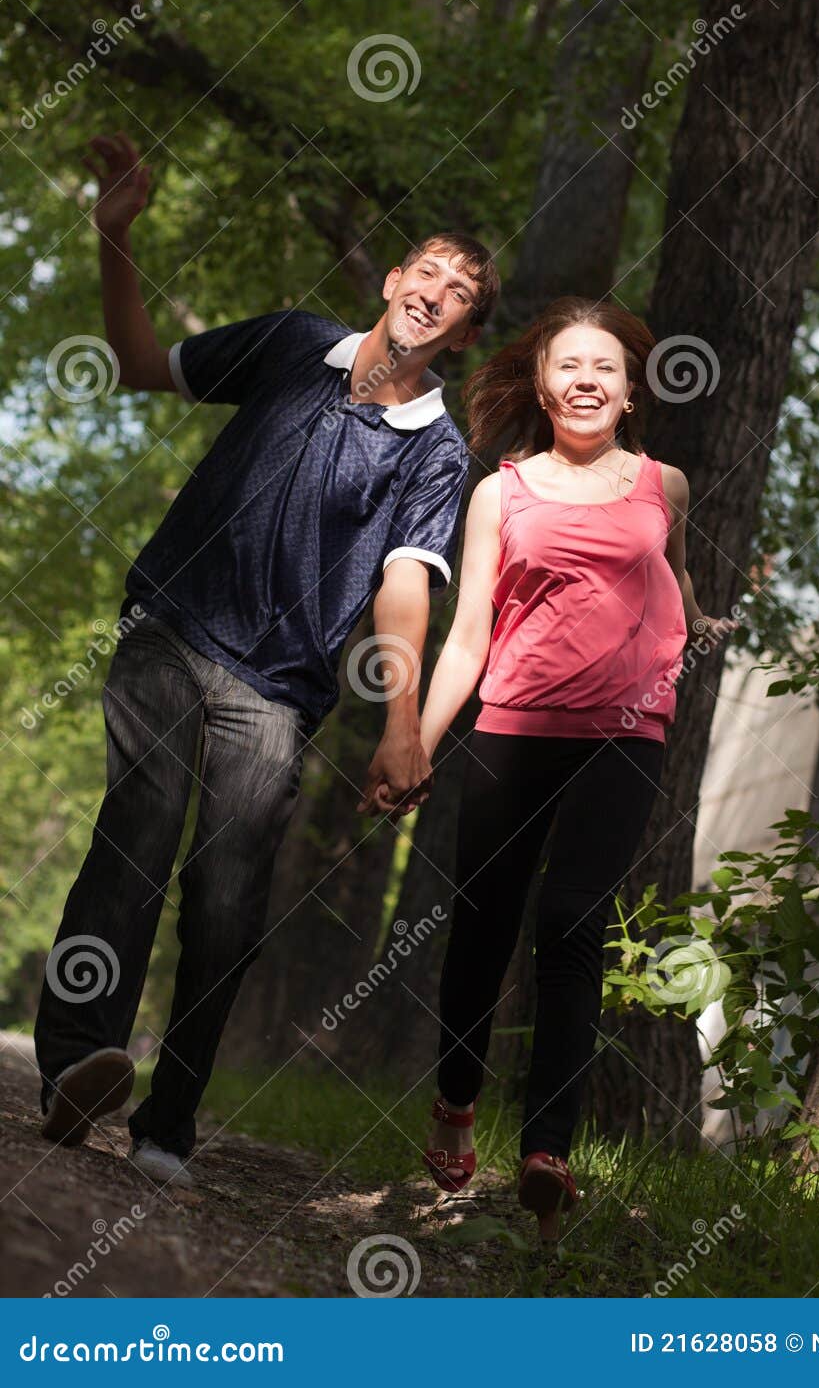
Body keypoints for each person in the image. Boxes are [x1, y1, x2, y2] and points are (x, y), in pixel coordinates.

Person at [33, 131, 500, 1185]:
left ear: (464, 332)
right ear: (392, 281)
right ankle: (75, 1063)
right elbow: (143, 367)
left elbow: (402, 586)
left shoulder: (437, 454)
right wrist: (114, 238)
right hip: (173, 620)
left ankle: (169, 1121)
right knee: (143, 819)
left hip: (279, 687)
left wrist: (401, 723)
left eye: (460, 293)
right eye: (427, 271)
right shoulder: (293, 344)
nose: (435, 291)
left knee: (229, 894)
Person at [416, 298, 738, 1240]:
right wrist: (415, 743)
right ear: (543, 384)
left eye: (605, 366)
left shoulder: (664, 484)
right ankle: (456, 1102)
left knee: (571, 922)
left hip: (625, 734)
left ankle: (546, 1152)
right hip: (513, 726)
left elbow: (672, 568)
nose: (587, 379)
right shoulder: (501, 492)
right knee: (484, 923)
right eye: (569, 364)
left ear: (631, 390)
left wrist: (695, 621)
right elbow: (468, 632)